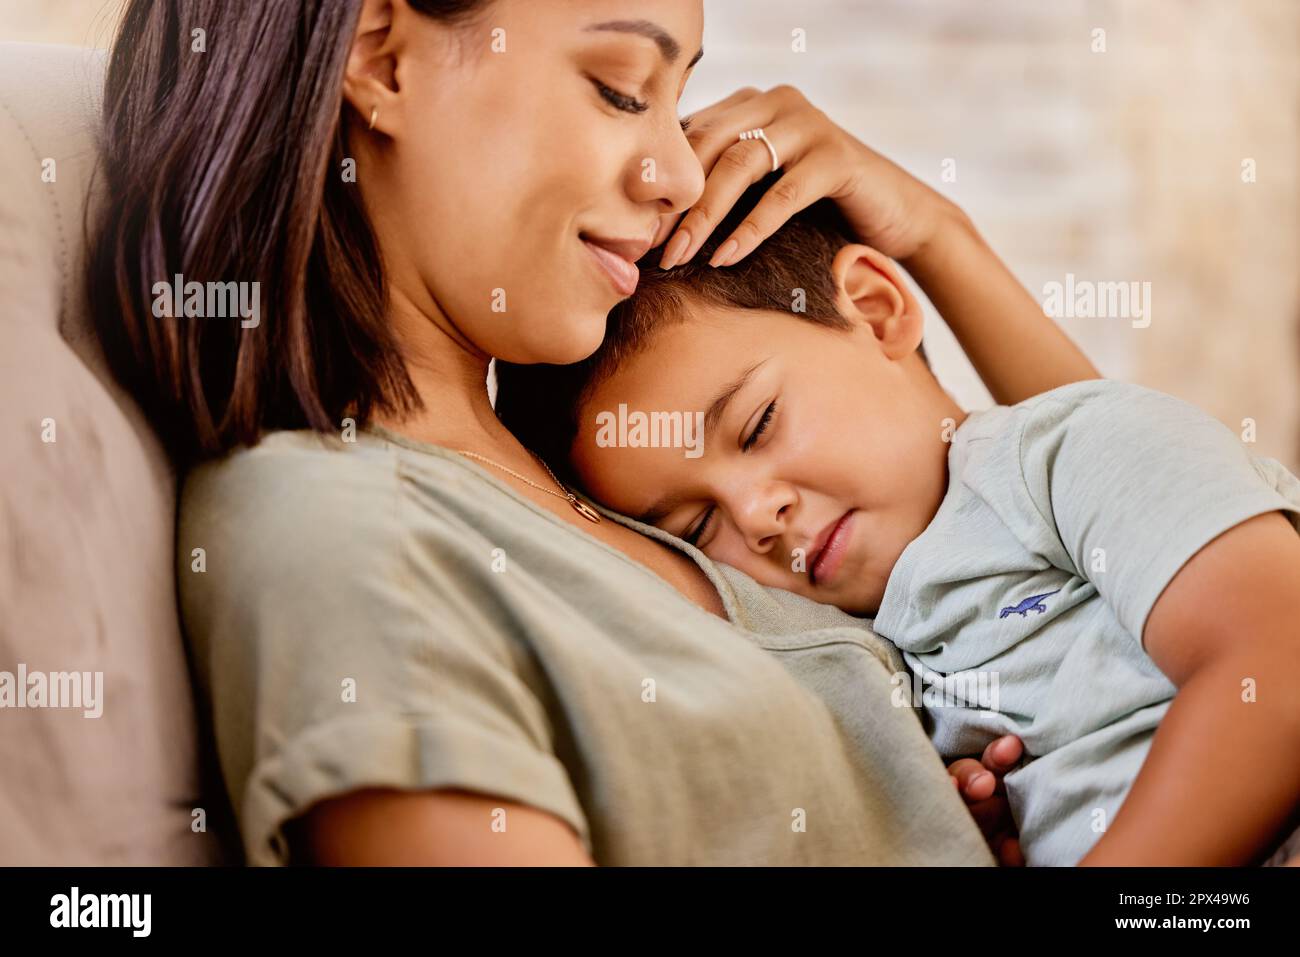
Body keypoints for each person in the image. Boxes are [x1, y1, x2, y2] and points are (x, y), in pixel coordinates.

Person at [87, 0, 1099, 865]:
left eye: (675, 97)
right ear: (379, 58)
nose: (679, 173)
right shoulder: (343, 541)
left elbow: (1133, 534)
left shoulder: (587, 471)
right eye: (620, 88)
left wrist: (931, 232)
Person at [496, 187, 1300, 866]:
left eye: (758, 424)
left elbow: (1277, 660)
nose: (757, 514)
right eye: (697, 524)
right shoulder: (860, 650)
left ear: (878, 312)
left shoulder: (1063, 452)